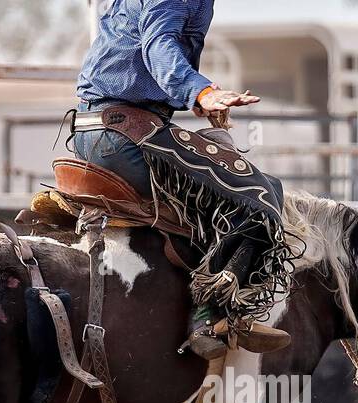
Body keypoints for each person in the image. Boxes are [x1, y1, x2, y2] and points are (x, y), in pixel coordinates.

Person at [73, 0, 287, 358]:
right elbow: (159, 45)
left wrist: (200, 100)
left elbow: (140, 56)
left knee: (249, 187)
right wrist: (201, 92)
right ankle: (211, 313)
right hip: (125, 135)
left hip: (106, 127)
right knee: (259, 195)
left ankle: (222, 306)